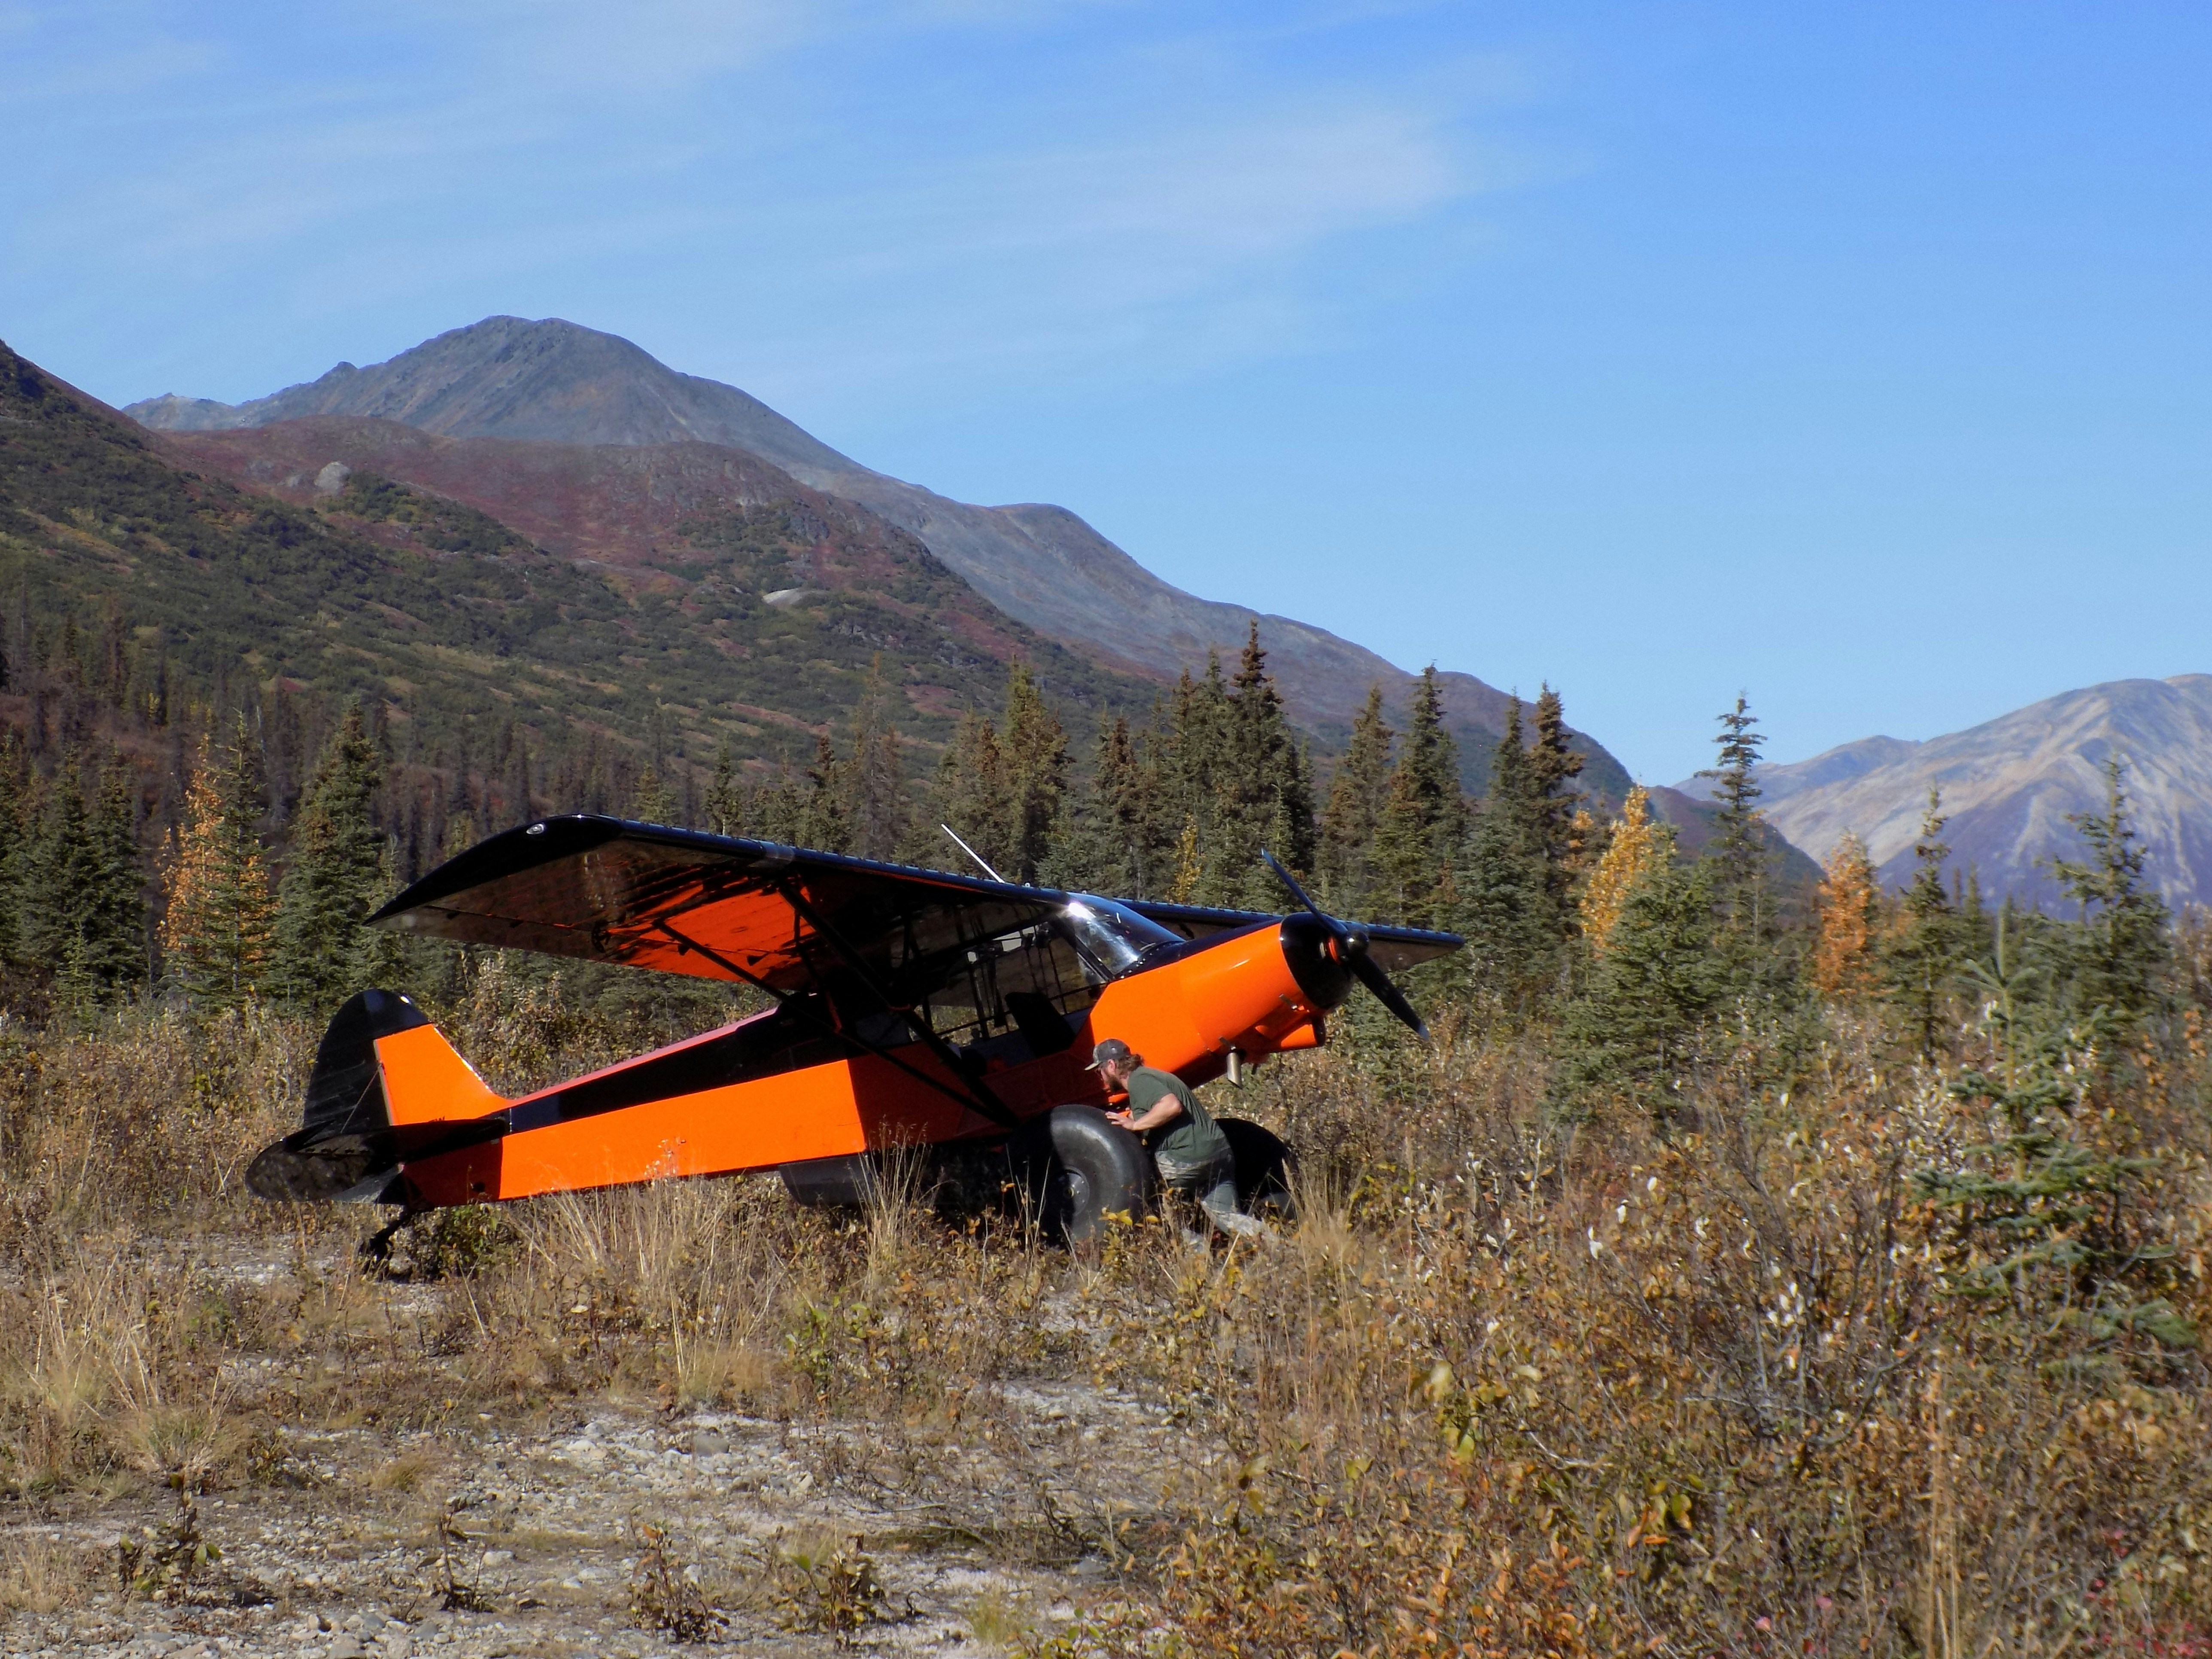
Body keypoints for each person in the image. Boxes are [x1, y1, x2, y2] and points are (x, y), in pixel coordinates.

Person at [1091, 1038, 1263, 1239]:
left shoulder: (1139, 1080)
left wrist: (1135, 1125)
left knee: (1147, 1199)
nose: (1100, 1077)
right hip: (1218, 1154)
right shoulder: (1155, 1076)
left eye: (1099, 1070)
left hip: (1187, 1156)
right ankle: (1279, 1249)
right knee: (1230, 1219)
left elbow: (1171, 1106)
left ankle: (1195, 1255)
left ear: (1111, 1066)